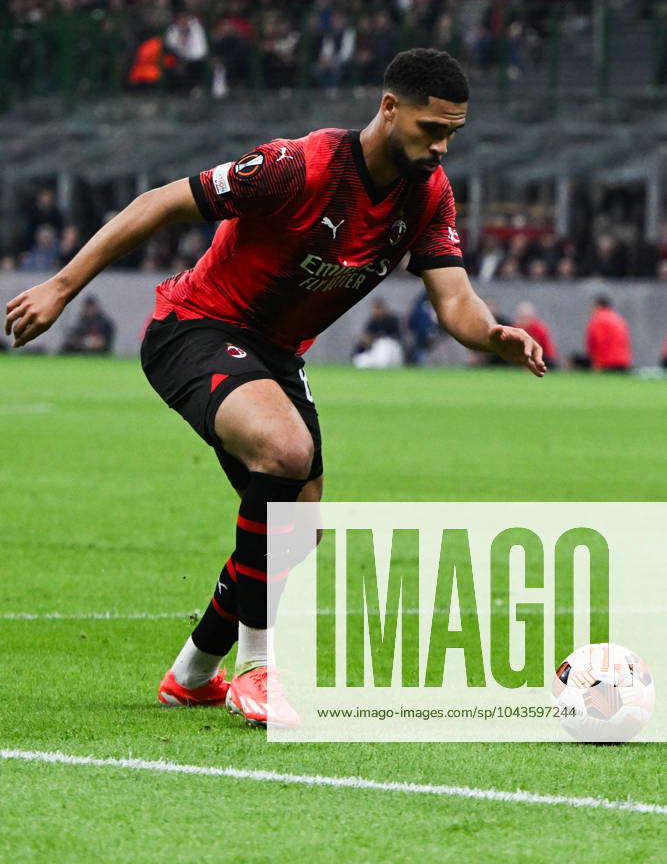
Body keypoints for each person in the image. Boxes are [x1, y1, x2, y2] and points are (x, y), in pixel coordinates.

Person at [4, 48, 545, 728]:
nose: (440, 147)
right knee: (285, 453)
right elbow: (160, 202)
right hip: (194, 328)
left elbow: (454, 299)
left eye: (452, 134)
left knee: (298, 529)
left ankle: (194, 672)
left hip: (275, 353)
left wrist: (492, 334)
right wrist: (59, 286)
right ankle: (258, 669)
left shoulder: (427, 195)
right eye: (429, 130)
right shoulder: (300, 165)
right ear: (388, 109)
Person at [583, 295, 632, 372]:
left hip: (606, 363)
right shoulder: (618, 318)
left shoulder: (598, 319)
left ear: (598, 306)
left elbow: (597, 342)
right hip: (623, 362)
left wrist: (597, 363)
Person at [352, 297, 403, 368]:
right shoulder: (372, 322)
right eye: (375, 309)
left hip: (391, 346)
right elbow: (366, 337)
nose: (376, 311)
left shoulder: (391, 320)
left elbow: (396, 336)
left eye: (378, 308)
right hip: (376, 347)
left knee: (383, 344)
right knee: (361, 360)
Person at [514, 301, 558, 369]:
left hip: (543, 356)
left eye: (526, 318)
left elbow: (540, 349)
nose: (524, 320)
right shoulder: (516, 328)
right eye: (521, 318)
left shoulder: (539, 329)